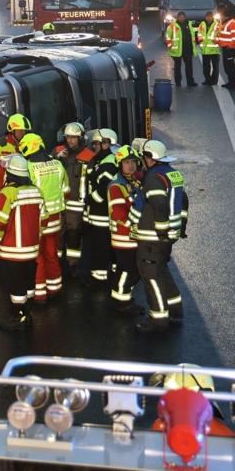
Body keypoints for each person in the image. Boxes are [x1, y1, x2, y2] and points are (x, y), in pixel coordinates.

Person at [128, 140, 187, 333]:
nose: (141, 162)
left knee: (151, 277)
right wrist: (178, 228)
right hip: (167, 236)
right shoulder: (173, 173)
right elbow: (183, 201)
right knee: (162, 273)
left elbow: (159, 205)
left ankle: (158, 319)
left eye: (143, 158)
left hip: (153, 237)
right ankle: (175, 309)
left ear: (150, 158)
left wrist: (161, 230)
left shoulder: (153, 177)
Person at [0, 154, 47, 331]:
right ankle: (28, 314)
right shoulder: (38, 191)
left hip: (12, 251)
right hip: (32, 249)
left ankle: (17, 317)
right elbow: (44, 220)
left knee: (16, 286)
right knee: (29, 283)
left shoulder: (8, 193)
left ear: (10, 173)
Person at [19, 134, 68, 303]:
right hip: (55, 221)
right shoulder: (58, 164)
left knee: (37, 257)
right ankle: (55, 288)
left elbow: (25, 196)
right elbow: (66, 190)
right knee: (51, 254)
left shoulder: (29, 168)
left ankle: (40, 294)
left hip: (37, 221)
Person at [55, 123, 97, 274]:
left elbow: (91, 182)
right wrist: (55, 159)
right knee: (57, 234)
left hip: (76, 204)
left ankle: (73, 264)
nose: (70, 140)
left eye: (74, 137)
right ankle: (57, 262)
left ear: (80, 138)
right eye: (68, 137)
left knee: (74, 236)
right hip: (59, 203)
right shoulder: (58, 151)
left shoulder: (89, 156)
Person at [107, 145, 143, 315]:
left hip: (134, 236)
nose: (131, 165)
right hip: (124, 237)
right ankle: (121, 303)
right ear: (119, 164)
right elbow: (119, 214)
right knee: (126, 270)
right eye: (127, 162)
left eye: (133, 162)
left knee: (132, 270)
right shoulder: (116, 186)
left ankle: (125, 299)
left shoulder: (134, 181)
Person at [81, 128, 118, 286]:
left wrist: (91, 200)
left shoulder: (109, 164)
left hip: (101, 214)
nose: (93, 147)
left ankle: (99, 278)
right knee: (101, 244)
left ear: (106, 144)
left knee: (100, 246)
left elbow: (105, 188)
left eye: (96, 143)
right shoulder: (102, 160)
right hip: (97, 213)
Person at [0, 114, 31, 206]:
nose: (24, 133)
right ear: (12, 130)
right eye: (20, 130)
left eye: (25, 131)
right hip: (1, 192)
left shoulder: (29, 145)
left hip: (22, 192)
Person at [165, 11, 198, 87]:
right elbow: (167, 37)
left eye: (183, 17)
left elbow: (192, 35)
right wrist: (170, 47)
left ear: (185, 17)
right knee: (177, 67)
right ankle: (178, 82)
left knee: (189, 66)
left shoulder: (189, 25)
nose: (182, 18)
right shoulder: (172, 26)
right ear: (177, 17)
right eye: (180, 17)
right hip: (177, 50)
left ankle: (190, 81)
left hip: (187, 49)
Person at [198, 10, 221, 85]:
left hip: (214, 49)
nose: (208, 18)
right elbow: (199, 33)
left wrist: (216, 40)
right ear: (205, 17)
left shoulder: (217, 25)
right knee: (206, 67)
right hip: (205, 50)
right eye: (207, 16)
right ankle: (207, 79)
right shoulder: (202, 24)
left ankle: (214, 80)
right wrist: (200, 38)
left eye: (210, 17)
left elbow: (221, 34)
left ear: (212, 17)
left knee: (215, 67)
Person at [218, 9, 235, 88]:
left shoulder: (231, 23)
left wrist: (230, 46)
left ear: (223, 16)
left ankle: (233, 83)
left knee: (229, 66)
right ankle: (230, 81)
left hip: (229, 49)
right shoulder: (228, 23)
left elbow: (234, 37)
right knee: (227, 66)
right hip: (226, 47)